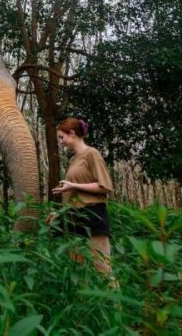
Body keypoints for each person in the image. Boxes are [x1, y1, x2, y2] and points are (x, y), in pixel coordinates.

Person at [51, 117, 116, 284]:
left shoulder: (91, 154)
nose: (61, 141)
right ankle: (85, 306)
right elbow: (75, 192)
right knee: (78, 269)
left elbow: (105, 186)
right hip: (74, 216)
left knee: (102, 267)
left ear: (72, 133)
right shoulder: (74, 160)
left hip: (93, 214)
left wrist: (73, 185)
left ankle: (115, 307)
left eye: (61, 137)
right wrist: (60, 213)